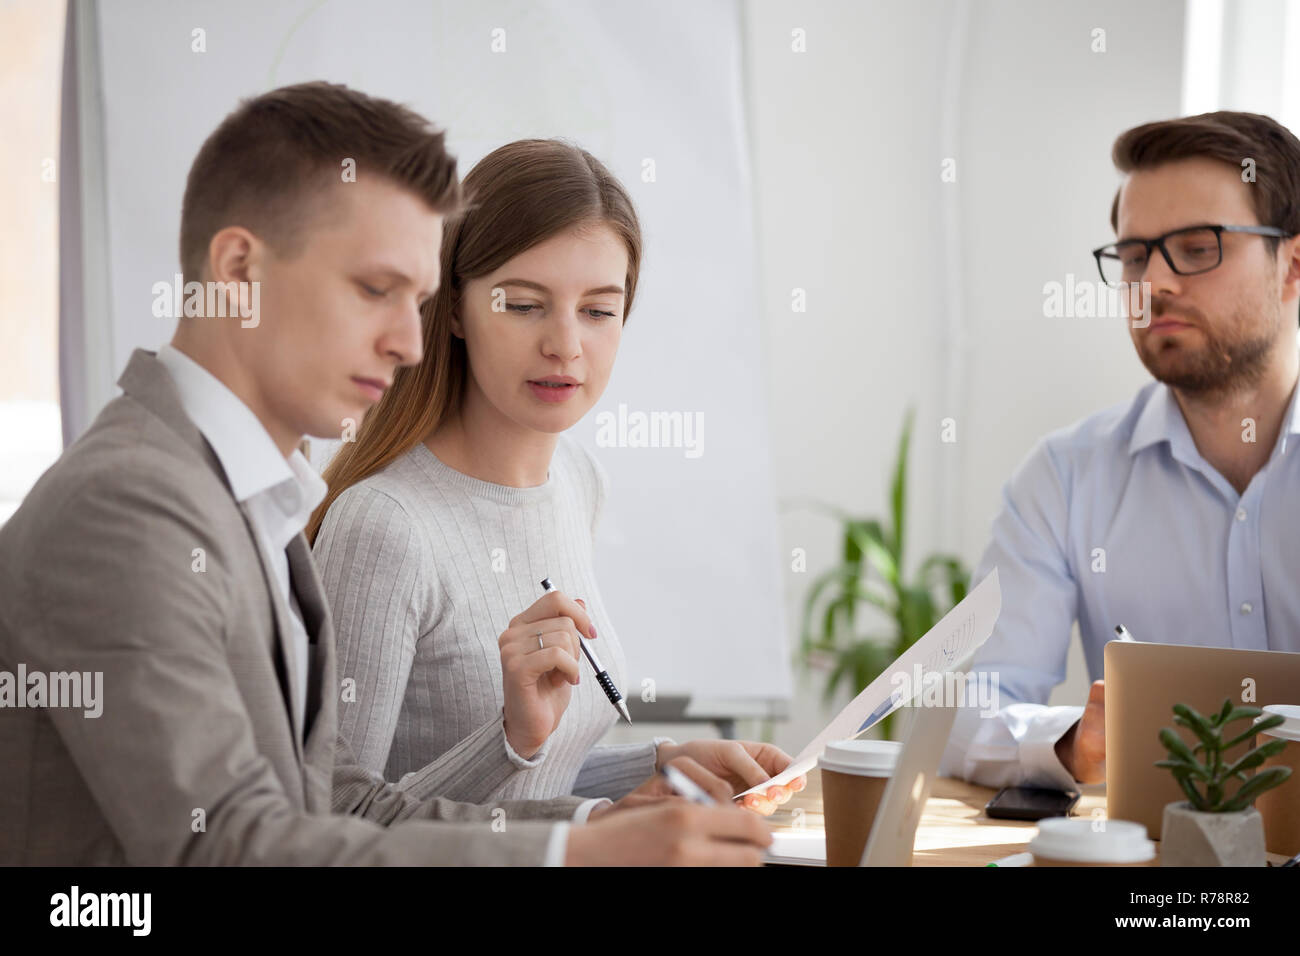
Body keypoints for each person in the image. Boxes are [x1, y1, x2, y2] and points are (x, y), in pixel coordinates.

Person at [0, 81, 773, 865]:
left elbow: (346, 807)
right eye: (375, 290)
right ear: (238, 268)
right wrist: (569, 857)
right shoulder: (126, 509)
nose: (410, 341)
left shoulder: (255, 503)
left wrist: (598, 817)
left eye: (419, 300)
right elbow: (228, 848)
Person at [308, 137, 804, 815]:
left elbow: (533, 776)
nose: (566, 345)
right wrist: (558, 793)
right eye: (524, 304)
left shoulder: (576, 481)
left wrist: (654, 766)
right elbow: (337, 827)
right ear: (453, 308)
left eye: (598, 310)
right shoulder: (385, 526)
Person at [940, 111, 1300, 791]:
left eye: (1197, 248)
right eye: (1135, 256)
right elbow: (972, 705)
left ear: (1293, 263)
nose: (1155, 284)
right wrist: (1074, 742)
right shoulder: (1066, 477)